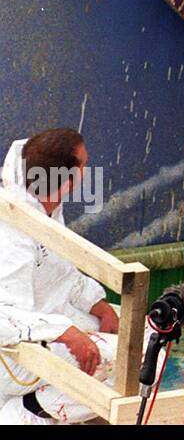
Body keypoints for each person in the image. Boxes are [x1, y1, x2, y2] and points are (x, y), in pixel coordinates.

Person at [0, 129, 119, 424]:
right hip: (10, 352)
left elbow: (60, 273)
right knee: (128, 358)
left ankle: (44, 404)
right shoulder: (11, 231)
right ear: (67, 182)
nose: (87, 171)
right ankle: (25, 413)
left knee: (146, 336)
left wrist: (99, 305)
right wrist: (63, 331)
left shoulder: (44, 204)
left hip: (43, 322)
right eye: (83, 165)